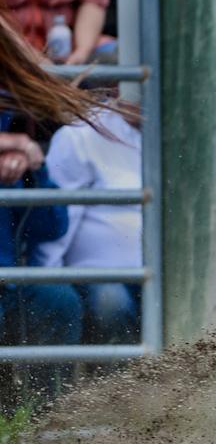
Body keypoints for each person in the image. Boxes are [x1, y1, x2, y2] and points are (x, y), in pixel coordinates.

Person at [34, 107, 142, 345]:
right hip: (99, 276)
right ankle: (115, 381)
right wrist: (47, 276)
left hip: (167, 273)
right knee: (110, 302)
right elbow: (59, 211)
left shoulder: (185, 134)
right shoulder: (81, 134)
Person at [0, 112, 83, 405]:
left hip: (8, 282)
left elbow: (50, 227)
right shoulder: (13, 136)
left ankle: (42, 415)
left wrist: (34, 172)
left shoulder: (12, 119)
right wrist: (14, 142)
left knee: (58, 302)